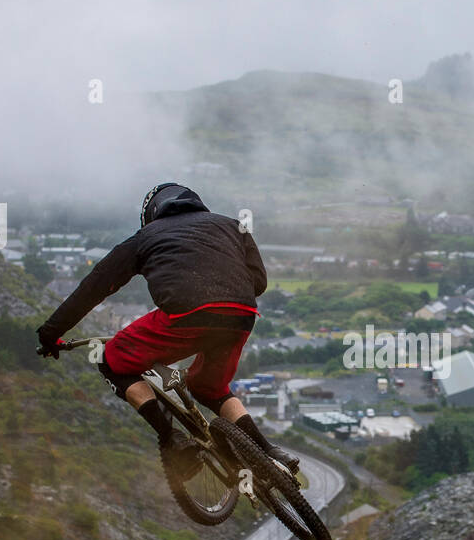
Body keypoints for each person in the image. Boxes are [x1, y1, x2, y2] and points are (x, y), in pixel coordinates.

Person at [36, 182, 298, 479]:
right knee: (209, 388)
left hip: (186, 315)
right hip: (241, 315)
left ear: (152, 214)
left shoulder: (143, 238)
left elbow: (93, 288)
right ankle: (269, 452)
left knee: (111, 359)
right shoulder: (233, 227)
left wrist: (50, 333)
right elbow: (259, 283)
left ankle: (170, 437)